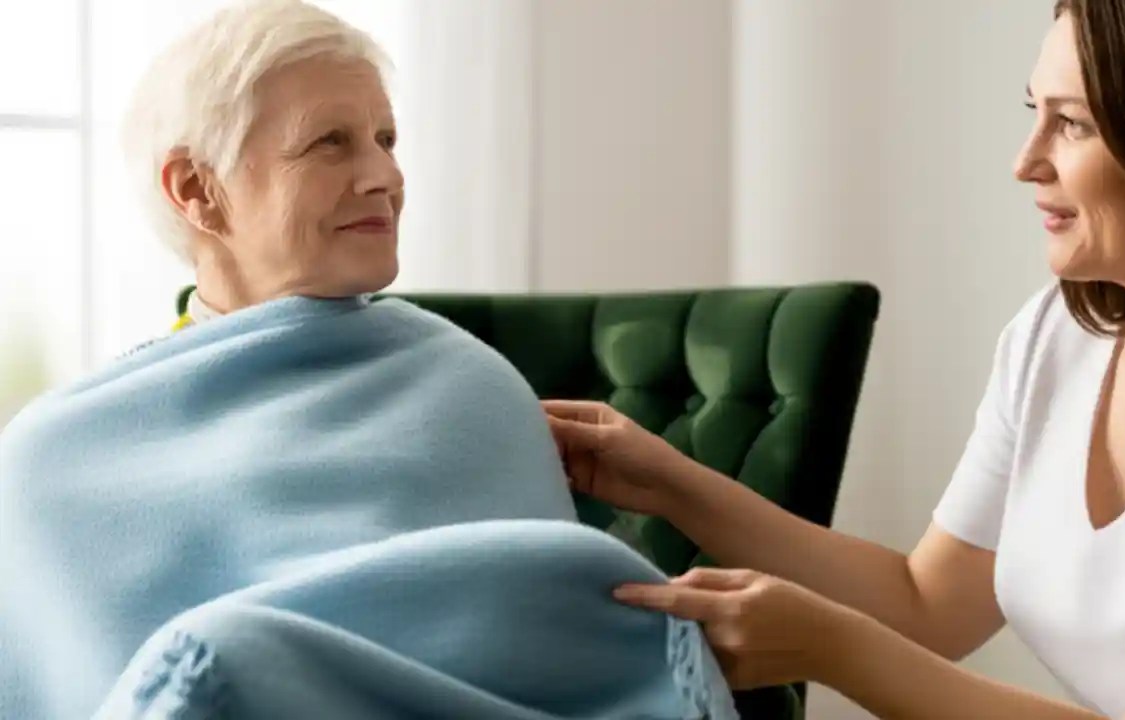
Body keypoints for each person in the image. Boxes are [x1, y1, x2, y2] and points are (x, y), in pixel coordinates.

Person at [0, 1, 736, 718]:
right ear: (196, 190)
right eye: (331, 142)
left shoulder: (469, 388)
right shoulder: (49, 456)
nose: (385, 175)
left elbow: (545, 642)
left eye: (386, 138)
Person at [544, 1, 1125, 718]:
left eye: (1073, 124)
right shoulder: (1058, 339)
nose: (1027, 162)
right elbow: (929, 603)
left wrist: (834, 648)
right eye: (1035, 112)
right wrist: (666, 480)